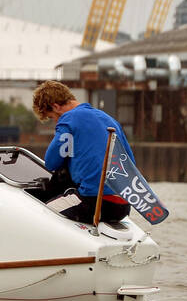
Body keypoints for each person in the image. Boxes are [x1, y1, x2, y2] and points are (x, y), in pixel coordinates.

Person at [34, 80, 133, 224]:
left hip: (94, 203)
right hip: (123, 205)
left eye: (52, 117)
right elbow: (130, 161)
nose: (55, 122)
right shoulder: (109, 119)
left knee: (39, 211)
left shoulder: (68, 120)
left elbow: (51, 162)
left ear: (55, 107)